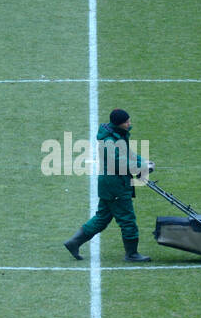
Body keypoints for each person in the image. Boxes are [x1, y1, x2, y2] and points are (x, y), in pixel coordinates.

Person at [64, 109, 154, 262]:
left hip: (110, 184)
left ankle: (74, 242)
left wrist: (143, 163)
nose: (129, 123)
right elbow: (119, 163)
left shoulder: (116, 135)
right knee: (127, 219)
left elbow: (129, 155)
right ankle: (132, 254)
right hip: (116, 185)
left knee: (102, 218)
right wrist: (141, 167)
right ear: (119, 123)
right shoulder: (109, 142)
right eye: (127, 121)